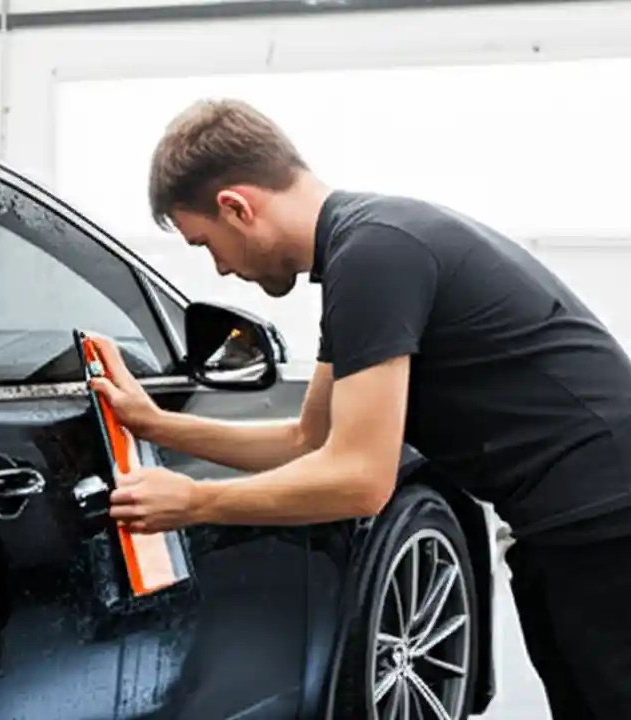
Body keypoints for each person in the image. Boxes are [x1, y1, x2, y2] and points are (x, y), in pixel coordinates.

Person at [91, 98, 631, 719]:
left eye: (207, 244)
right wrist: (156, 424)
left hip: (607, 524)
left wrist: (197, 503)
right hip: (574, 521)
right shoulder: (363, 248)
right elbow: (309, 440)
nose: (219, 267)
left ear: (236, 207)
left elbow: (360, 480)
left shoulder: (373, 255)